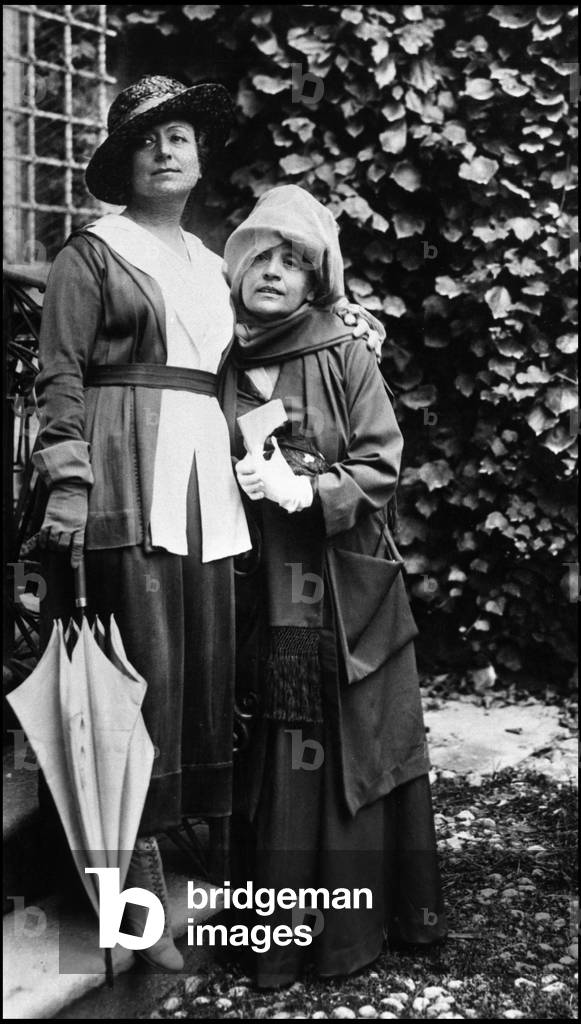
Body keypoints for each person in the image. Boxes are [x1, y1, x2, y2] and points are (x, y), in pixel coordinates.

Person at [31, 77, 380, 972]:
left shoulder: (210, 259)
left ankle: (201, 865)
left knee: (206, 670)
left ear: (198, 157)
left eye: (180, 135)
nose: (167, 149)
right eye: (148, 139)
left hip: (207, 486)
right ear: (125, 163)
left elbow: (271, 332)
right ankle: (129, 898)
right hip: (124, 469)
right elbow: (60, 375)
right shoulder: (92, 253)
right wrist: (67, 485)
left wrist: (350, 326)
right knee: (135, 669)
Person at [220, 184, 447, 988]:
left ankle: (351, 931)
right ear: (236, 266)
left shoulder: (345, 351)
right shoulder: (219, 359)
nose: (273, 273)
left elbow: (381, 462)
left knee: (348, 741)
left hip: (340, 585)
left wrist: (307, 490)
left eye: (293, 261)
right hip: (260, 587)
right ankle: (276, 934)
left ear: (317, 279)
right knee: (280, 745)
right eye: (260, 257)